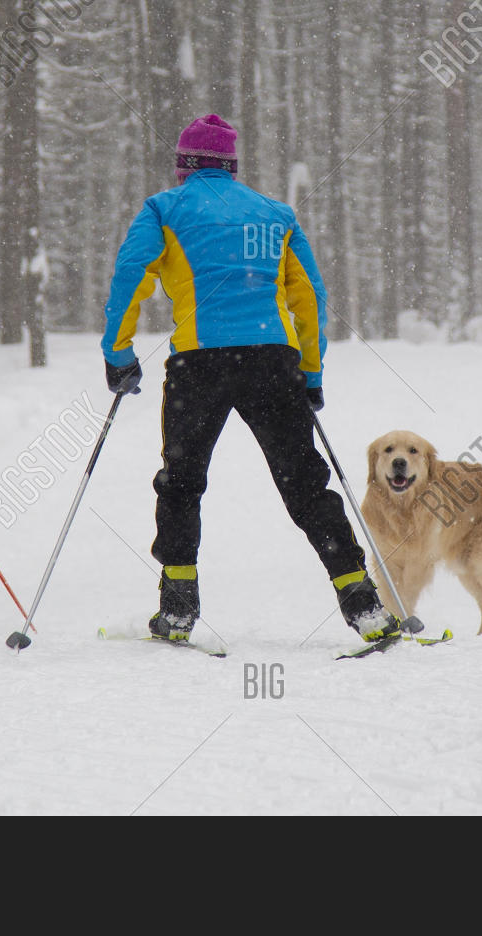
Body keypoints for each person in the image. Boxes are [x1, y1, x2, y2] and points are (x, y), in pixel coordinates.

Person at [101, 113, 400, 645]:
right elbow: (310, 296)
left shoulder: (164, 208)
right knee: (306, 486)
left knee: (182, 483)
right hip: (272, 360)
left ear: (185, 167)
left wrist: (118, 351)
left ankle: (177, 609)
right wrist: (310, 370)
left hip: (200, 363)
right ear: (232, 167)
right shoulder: (275, 213)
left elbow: (131, 274)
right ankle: (363, 604)